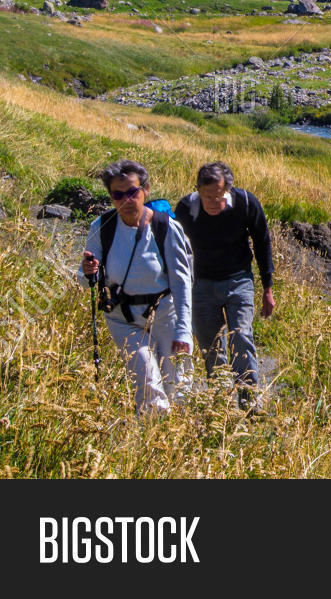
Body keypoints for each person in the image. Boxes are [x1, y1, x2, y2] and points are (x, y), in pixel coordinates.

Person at [78, 160, 193, 414]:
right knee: (149, 385)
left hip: (166, 316)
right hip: (123, 320)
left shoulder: (166, 228)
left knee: (178, 387)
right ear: (111, 197)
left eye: (132, 192)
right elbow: (84, 278)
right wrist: (88, 271)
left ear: (146, 190)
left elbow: (182, 282)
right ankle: (155, 431)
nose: (126, 200)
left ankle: (177, 433)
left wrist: (184, 330)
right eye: (118, 195)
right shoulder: (101, 228)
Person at [175, 162, 274, 404]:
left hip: (239, 280)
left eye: (218, 196)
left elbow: (263, 243)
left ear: (228, 189)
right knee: (210, 347)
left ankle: (250, 402)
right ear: (198, 189)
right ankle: (221, 404)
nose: (213, 202)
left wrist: (267, 288)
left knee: (241, 337)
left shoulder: (246, 203)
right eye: (207, 196)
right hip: (200, 284)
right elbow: (175, 250)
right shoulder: (186, 208)